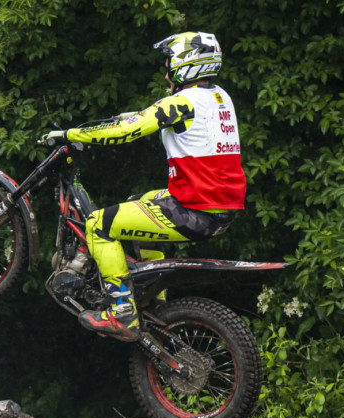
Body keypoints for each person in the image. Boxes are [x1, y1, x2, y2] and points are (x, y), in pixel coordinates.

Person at [41, 31, 245, 341]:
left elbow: (128, 130)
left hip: (196, 210)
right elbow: (140, 116)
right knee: (142, 199)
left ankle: (121, 310)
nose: (166, 71)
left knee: (99, 224)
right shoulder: (218, 97)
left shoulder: (183, 102)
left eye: (169, 63)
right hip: (220, 207)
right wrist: (93, 126)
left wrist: (72, 135)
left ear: (185, 64)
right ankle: (154, 299)